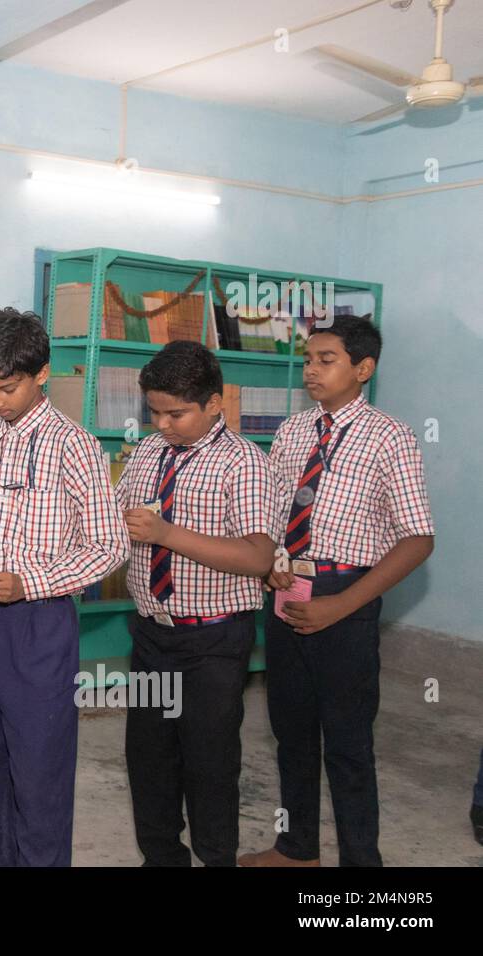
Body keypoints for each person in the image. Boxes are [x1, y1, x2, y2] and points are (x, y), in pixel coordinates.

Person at [239, 315, 435, 867]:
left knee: (348, 746)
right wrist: (271, 562)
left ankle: (360, 865)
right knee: (291, 733)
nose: (311, 371)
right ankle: (297, 848)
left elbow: (418, 538)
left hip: (345, 598)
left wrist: (344, 604)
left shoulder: (389, 436)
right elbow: (274, 514)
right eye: (307, 360)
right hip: (287, 593)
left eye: (326, 360)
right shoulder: (293, 431)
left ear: (363, 368)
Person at [0, 308, 128, 866]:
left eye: (8, 388)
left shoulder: (74, 445)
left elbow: (109, 547)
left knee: (39, 767)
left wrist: (29, 582)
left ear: (43, 374)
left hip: (40, 624)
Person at [115, 340, 277, 866]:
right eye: (154, 412)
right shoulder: (147, 453)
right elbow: (119, 526)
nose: (163, 424)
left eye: (176, 413)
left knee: (208, 765)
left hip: (212, 640)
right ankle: (161, 858)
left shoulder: (244, 464)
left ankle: (215, 858)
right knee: (149, 761)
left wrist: (166, 533)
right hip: (151, 633)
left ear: (215, 404)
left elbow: (257, 557)